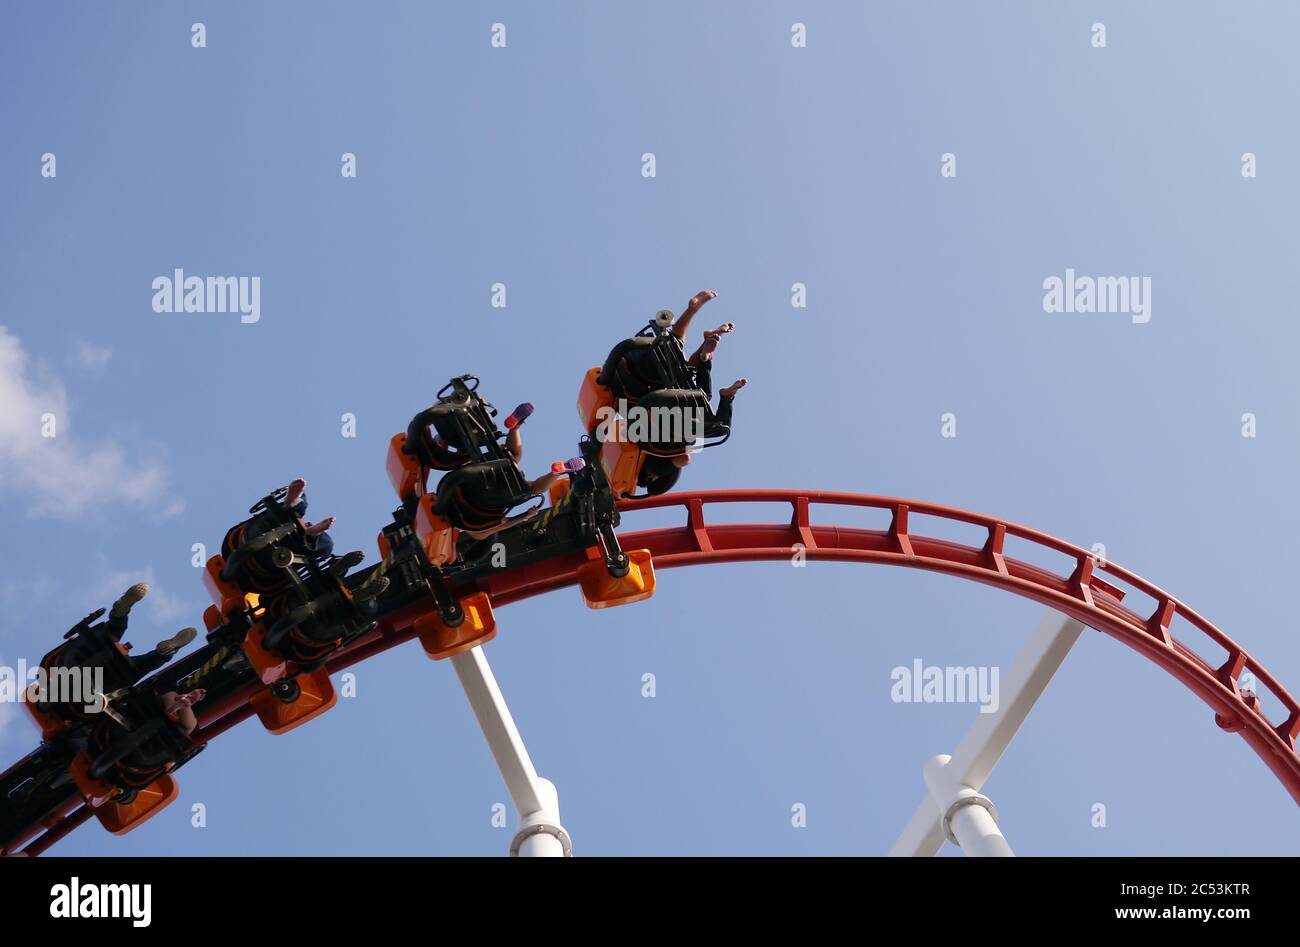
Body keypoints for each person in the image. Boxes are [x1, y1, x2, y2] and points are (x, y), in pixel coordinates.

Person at [104, 583, 197, 680]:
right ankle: (163, 652)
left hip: (98, 671)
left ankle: (121, 611)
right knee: (141, 665)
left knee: (111, 636)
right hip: (106, 672)